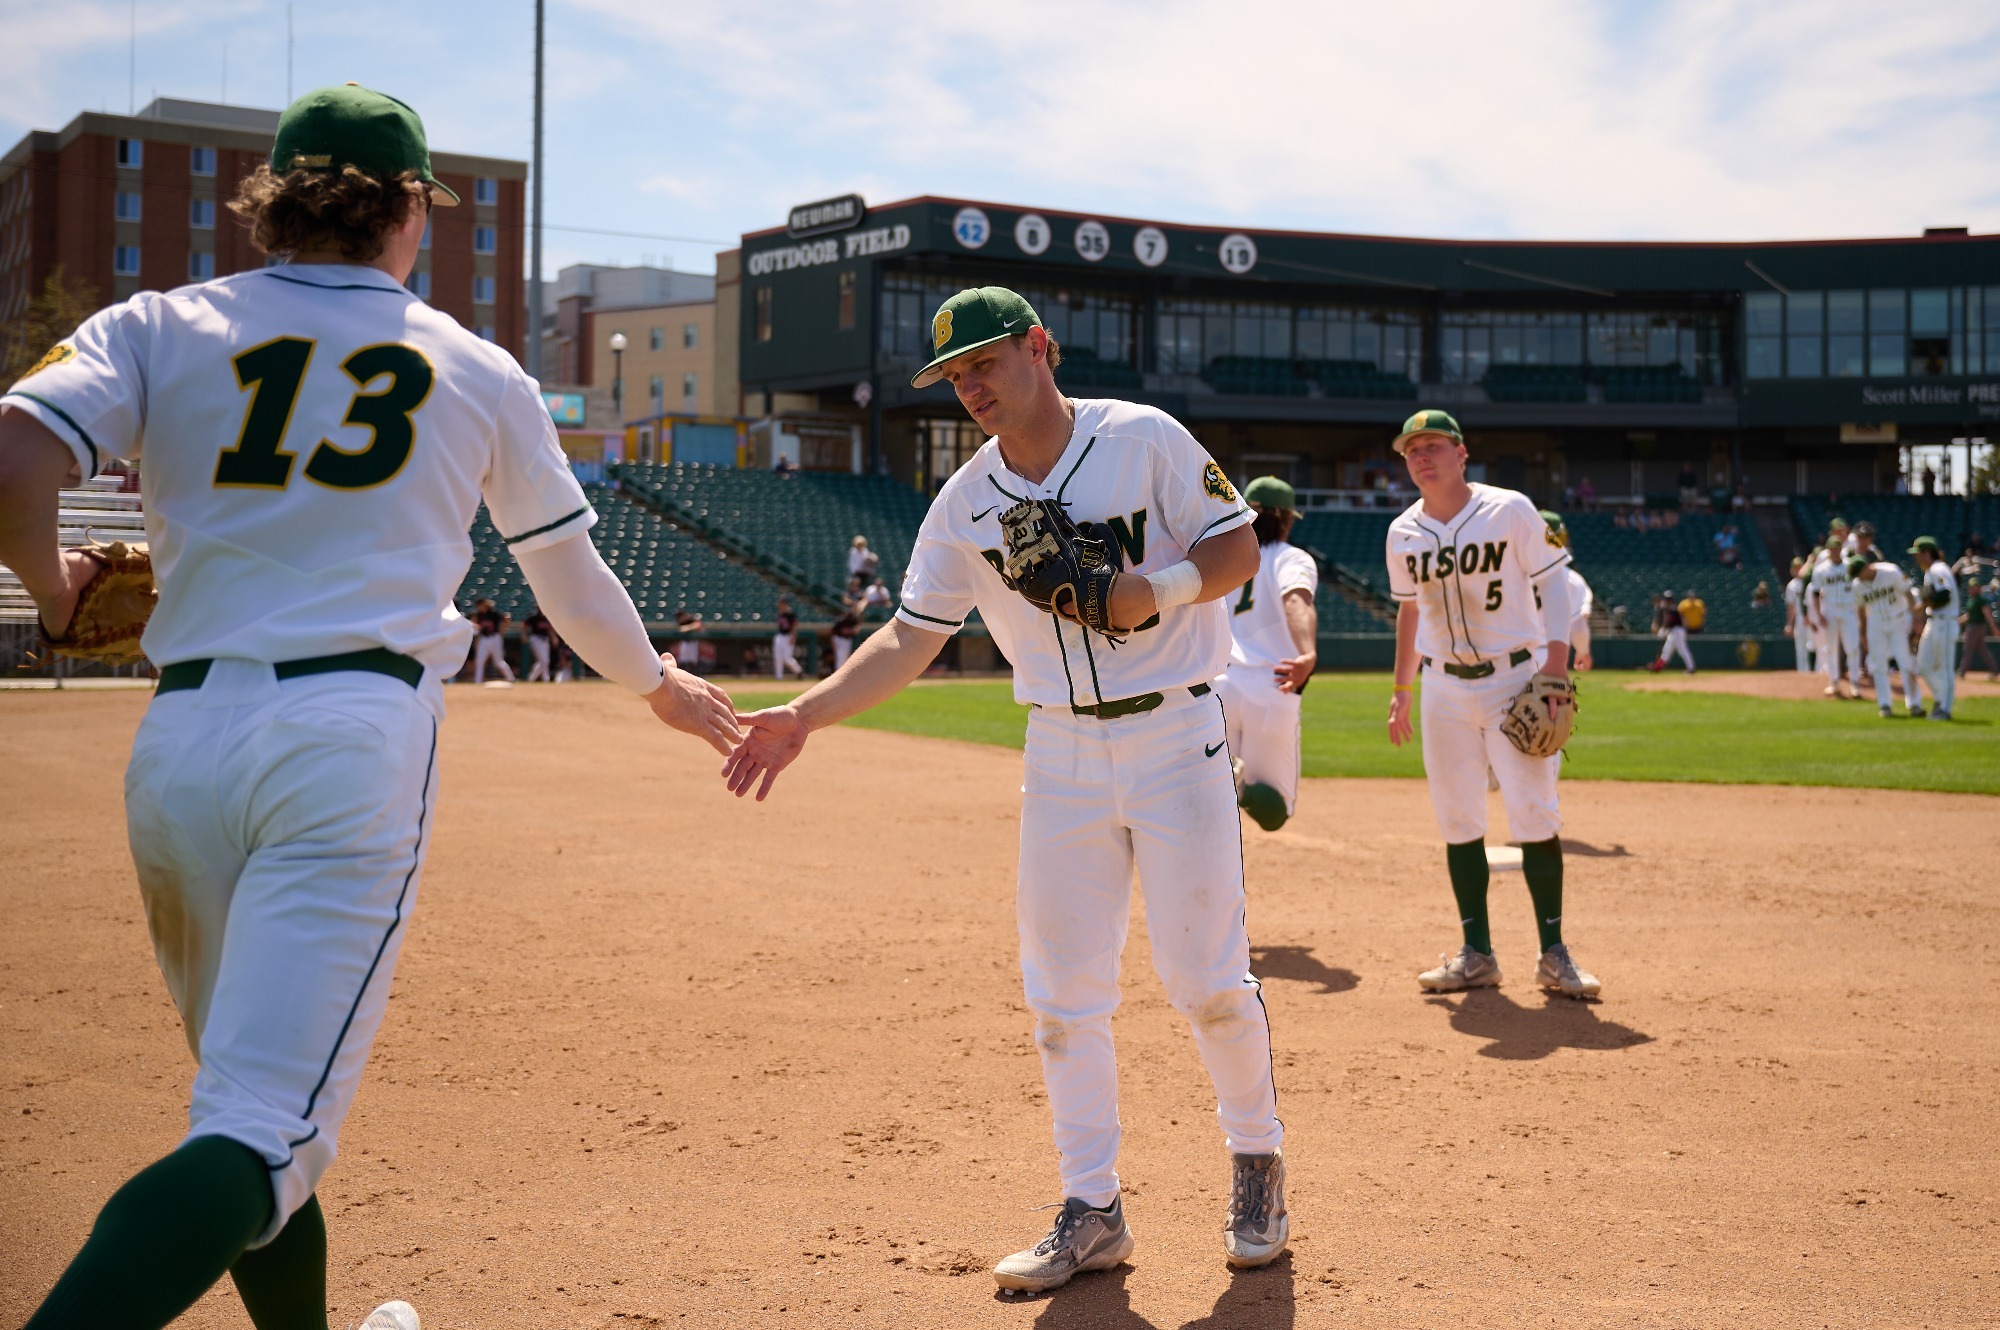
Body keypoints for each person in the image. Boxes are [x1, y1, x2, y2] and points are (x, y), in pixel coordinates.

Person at [0, 83, 741, 1330]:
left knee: (246, 1103)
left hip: (179, 739)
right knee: (259, 1126)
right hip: (348, 738)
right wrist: (659, 685)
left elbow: (15, 455)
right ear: (408, 210)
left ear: (272, 202)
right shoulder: (476, 366)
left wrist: (53, 587)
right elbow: (569, 578)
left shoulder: (159, 321)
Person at [720, 286, 1287, 1290]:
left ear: (1039, 347)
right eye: (953, 375)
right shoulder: (964, 501)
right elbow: (910, 636)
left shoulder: (1141, 437)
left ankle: (1256, 1162)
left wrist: (1147, 592)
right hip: (1059, 750)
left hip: (1174, 732)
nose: (969, 386)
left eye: (983, 362)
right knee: (1062, 996)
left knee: (1205, 978)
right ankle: (1091, 1207)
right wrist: (805, 713)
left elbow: (1236, 544)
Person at [1383, 410, 1599, 1001]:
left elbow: (1554, 580)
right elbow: (1409, 611)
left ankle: (1553, 953)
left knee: (1534, 814)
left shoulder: (1510, 509)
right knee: (1458, 818)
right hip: (1443, 687)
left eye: (1433, 446)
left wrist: (1556, 661)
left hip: (1514, 679)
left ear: (1461, 453)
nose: (1421, 457)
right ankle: (1476, 954)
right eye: (1411, 450)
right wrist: (1402, 690)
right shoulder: (1403, 531)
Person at [1214, 476, 1318, 832]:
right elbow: (1296, 600)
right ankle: (1240, 787)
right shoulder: (1291, 558)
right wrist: (1308, 653)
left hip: (1220, 684)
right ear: (1286, 519)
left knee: (1211, 797)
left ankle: (1224, 783)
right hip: (1274, 684)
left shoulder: (1225, 558)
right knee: (1274, 813)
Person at [1852, 557, 1923, 717]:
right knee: (1878, 665)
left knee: (1905, 662)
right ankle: (1884, 705)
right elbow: (1861, 611)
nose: (1857, 577)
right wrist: (1863, 634)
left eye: (1858, 573)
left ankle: (1914, 704)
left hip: (1899, 620)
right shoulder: (1857, 584)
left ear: (1866, 567)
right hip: (1876, 624)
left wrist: (1916, 618)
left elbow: (1908, 593)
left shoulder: (1890, 571)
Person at [1910, 536, 1960, 720]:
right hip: (1934, 621)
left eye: (1917, 553)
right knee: (1923, 665)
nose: (1916, 557)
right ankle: (1940, 698)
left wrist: (1924, 603)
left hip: (1945, 622)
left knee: (1943, 668)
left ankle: (1944, 709)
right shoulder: (1930, 571)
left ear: (1926, 553)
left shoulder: (1939, 569)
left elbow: (1944, 595)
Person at [1540, 511, 1594, 670]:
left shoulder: (1509, 575)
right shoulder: (1571, 580)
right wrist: (1583, 651)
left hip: (1508, 663)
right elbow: (1579, 628)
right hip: (1548, 657)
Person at [1810, 540, 1863, 698]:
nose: (1834, 551)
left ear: (1841, 549)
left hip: (1848, 609)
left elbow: (1860, 586)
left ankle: (1855, 684)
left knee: (1852, 647)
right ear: (1827, 550)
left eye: (1836, 548)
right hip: (1830, 610)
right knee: (1831, 648)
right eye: (1831, 549)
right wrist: (1819, 615)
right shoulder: (1821, 569)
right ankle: (1833, 682)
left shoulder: (1849, 565)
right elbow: (1815, 593)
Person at [1961, 578, 1998, 680]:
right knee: (1983, 650)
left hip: (1976, 627)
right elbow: (1969, 615)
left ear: (1978, 587)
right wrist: (1958, 621)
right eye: (1971, 587)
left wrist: (1994, 627)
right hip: (1973, 626)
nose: (1973, 588)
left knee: (1967, 649)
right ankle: (1994, 670)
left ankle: (1961, 672)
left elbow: (1987, 614)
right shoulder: (1971, 600)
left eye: (1975, 586)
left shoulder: (1980, 599)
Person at [469, 596, 513, 682]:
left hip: (495, 638)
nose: (478, 607)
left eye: (480, 605)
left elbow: (506, 619)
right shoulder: (479, 615)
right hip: (484, 639)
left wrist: (502, 631)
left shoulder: (494, 613)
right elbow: (478, 628)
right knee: (479, 662)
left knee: (498, 662)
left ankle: (511, 678)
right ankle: (478, 681)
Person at [1651, 590, 1694, 675]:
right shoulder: (1670, 608)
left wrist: (1663, 628)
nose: (1668, 601)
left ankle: (1691, 668)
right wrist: (1665, 629)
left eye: (1669, 599)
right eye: (1667, 599)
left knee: (1682, 650)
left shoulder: (1673, 608)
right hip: (1673, 631)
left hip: (1678, 630)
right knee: (1666, 650)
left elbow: (1669, 620)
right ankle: (1658, 666)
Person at [1783, 558, 1815, 673]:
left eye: (1799, 567)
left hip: (1813, 617)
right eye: (1795, 568)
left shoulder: (1811, 580)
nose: (1797, 569)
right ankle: (1802, 673)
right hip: (1800, 619)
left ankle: (1815, 672)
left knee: (1813, 646)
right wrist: (1789, 624)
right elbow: (1791, 607)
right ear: (1791, 570)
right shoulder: (1791, 585)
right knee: (1801, 648)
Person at [771, 598, 805, 679]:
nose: (780, 606)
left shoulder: (791, 614)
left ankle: (799, 671)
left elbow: (795, 625)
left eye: (781, 604)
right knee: (778, 657)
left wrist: (793, 636)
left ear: (785, 604)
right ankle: (778, 676)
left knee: (787, 659)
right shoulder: (780, 614)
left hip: (788, 636)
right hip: (780, 636)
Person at [521, 606, 554, 681]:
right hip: (536, 639)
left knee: (543, 661)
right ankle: (546, 679)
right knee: (544, 660)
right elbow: (523, 625)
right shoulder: (534, 617)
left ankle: (531, 679)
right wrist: (523, 635)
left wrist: (553, 637)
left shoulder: (547, 617)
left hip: (545, 640)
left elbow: (550, 629)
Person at [673, 608, 705, 674]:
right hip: (685, 643)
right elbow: (680, 629)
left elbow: (699, 626)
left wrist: (688, 627)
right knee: (684, 661)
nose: (680, 618)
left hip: (693, 642)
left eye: (681, 616)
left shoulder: (690, 620)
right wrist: (690, 627)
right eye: (678, 616)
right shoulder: (680, 622)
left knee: (693, 661)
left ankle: (695, 674)